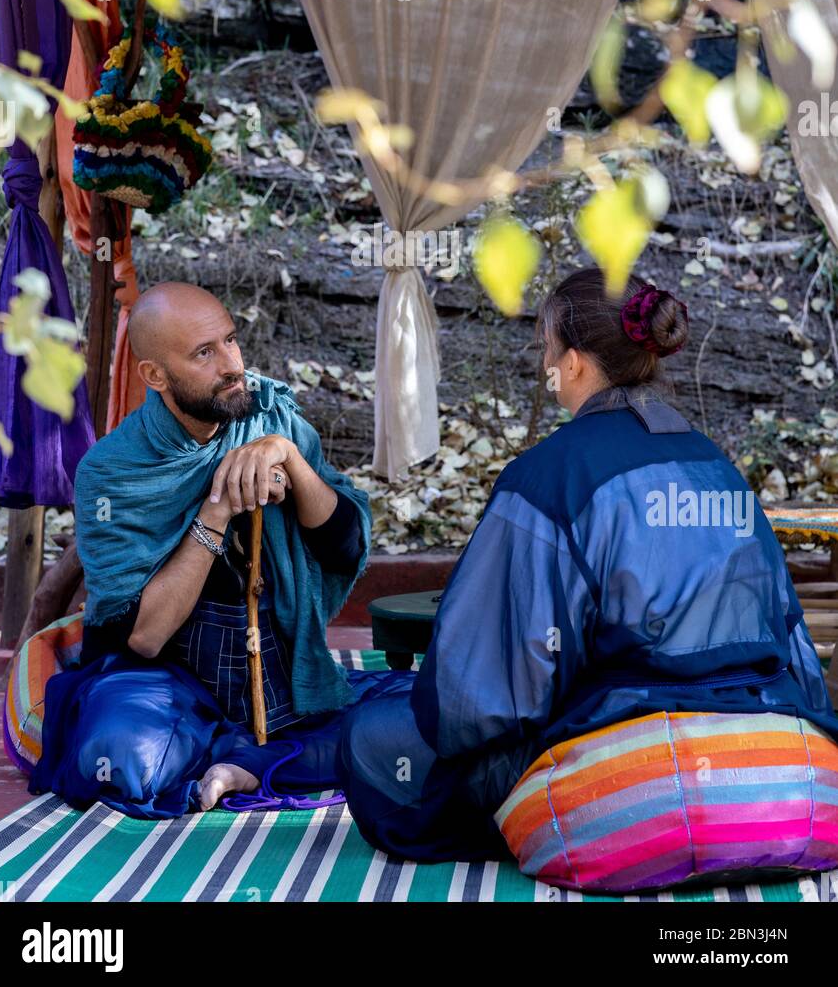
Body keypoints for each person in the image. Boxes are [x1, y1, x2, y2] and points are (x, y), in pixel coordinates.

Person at [337, 267, 838, 869]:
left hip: (632, 774)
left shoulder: (550, 474)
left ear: (574, 362)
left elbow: (480, 701)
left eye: (547, 350)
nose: (547, 367)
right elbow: (793, 650)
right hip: (784, 770)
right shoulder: (716, 465)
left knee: (371, 739)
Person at [29, 281, 411, 820]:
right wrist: (216, 508)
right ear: (155, 376)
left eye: (231, 341)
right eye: (204, 353)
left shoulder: (273, 421)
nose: (233, 364)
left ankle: (251, 763)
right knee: (119, 756)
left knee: (434, 712)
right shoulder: (112, 473)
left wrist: (290, 461)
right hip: (165, 685)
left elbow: (346, 546)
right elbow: (142, 636)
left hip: (277, 683)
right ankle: (264, 757)